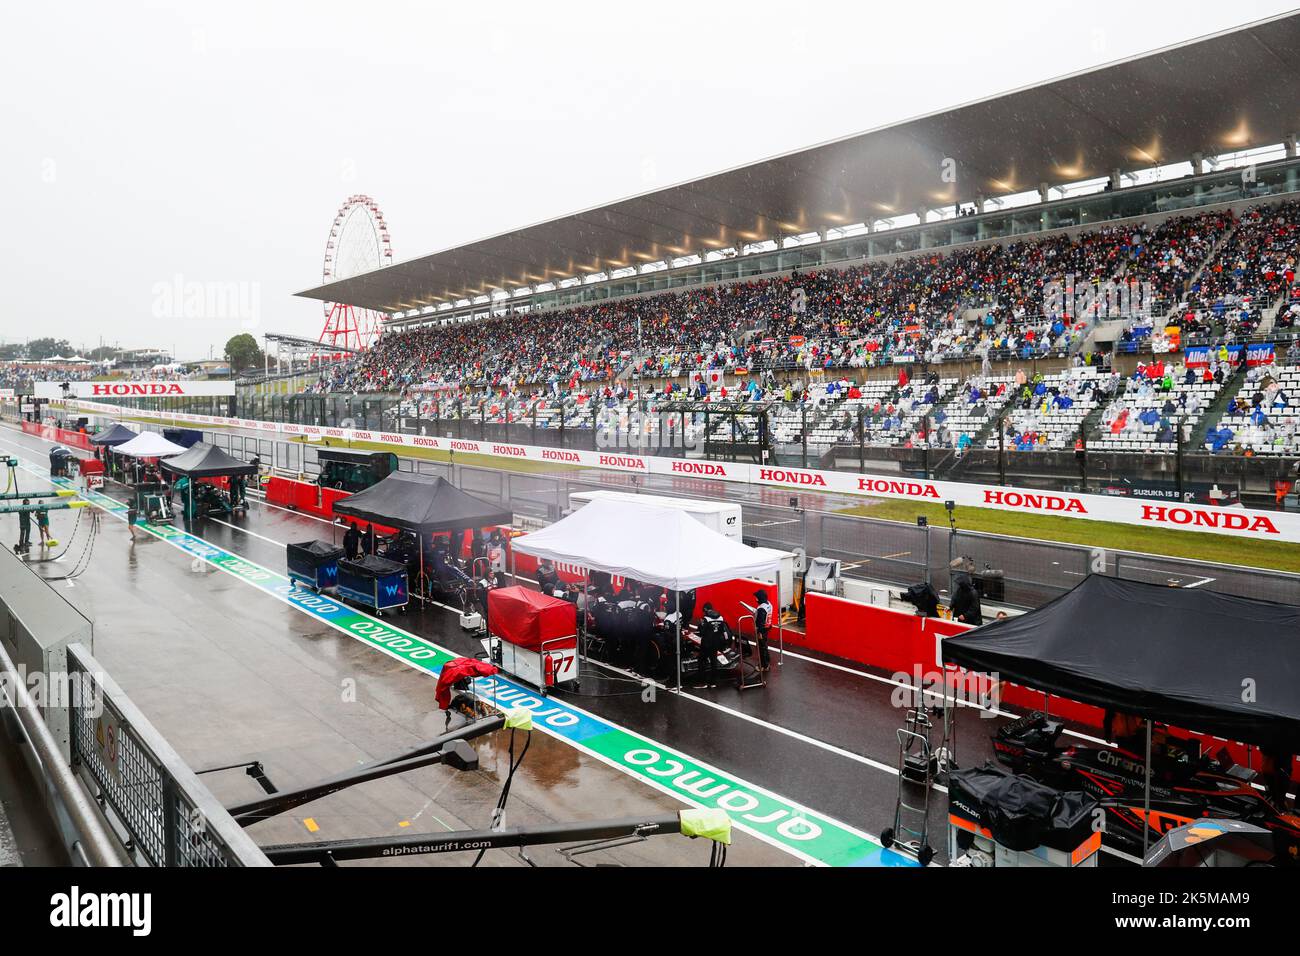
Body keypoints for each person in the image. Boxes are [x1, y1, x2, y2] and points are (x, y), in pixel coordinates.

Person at [696, 602, 728, 688]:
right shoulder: (721, 617)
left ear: (705, 609)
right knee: (713, 661)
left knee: (702, 660)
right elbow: (724, 631)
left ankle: (702, 682)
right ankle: (713, 682)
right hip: (716, 642)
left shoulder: (705, 619)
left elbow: (701, 632)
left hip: (706, 643)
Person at [753, 589, 773, 672]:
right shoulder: (769, 604)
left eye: (757, 598)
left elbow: (760, 622)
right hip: (767, 627)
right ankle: (767, 663)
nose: (756, 599)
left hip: (762, 630)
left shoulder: (761, 609)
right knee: (764, 646)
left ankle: (763, 666)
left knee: (761, 648)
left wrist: (759, 633)